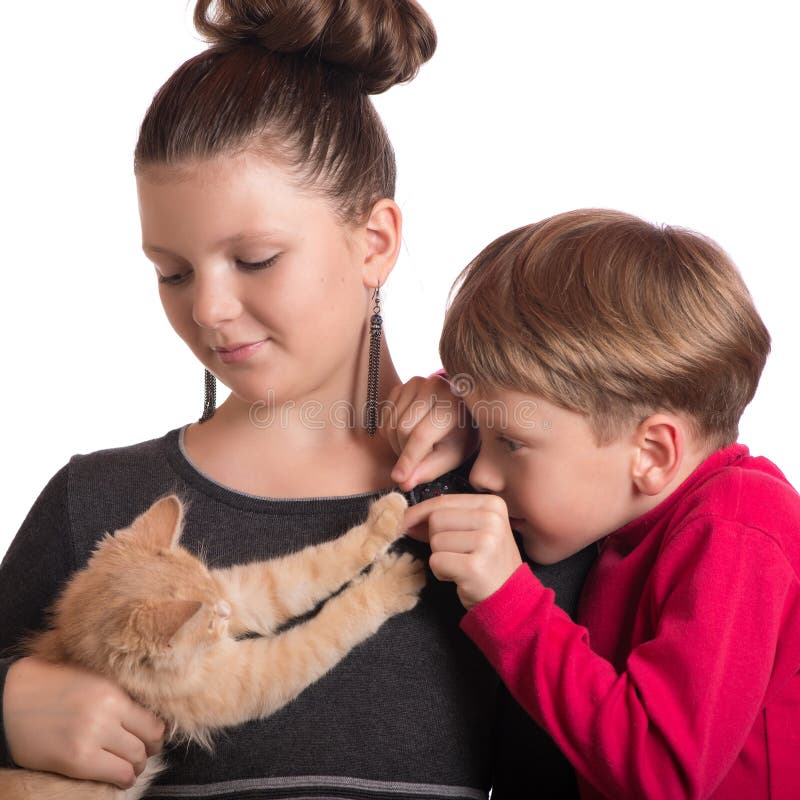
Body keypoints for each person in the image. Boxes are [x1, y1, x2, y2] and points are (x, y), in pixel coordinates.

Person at [0, 2, 593, 797]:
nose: (206, 307)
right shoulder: (98, 505)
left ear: (374, 242)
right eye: (171, 271)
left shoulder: (511, 502)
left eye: (255, 258)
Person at [399, 208, 800, 799]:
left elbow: (663, 771)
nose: (483, 474)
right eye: (484, 433)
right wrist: (452, 397)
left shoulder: (741, 526)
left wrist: (509, 601)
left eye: (510, 444)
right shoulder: (631, 501)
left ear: (654, 454)